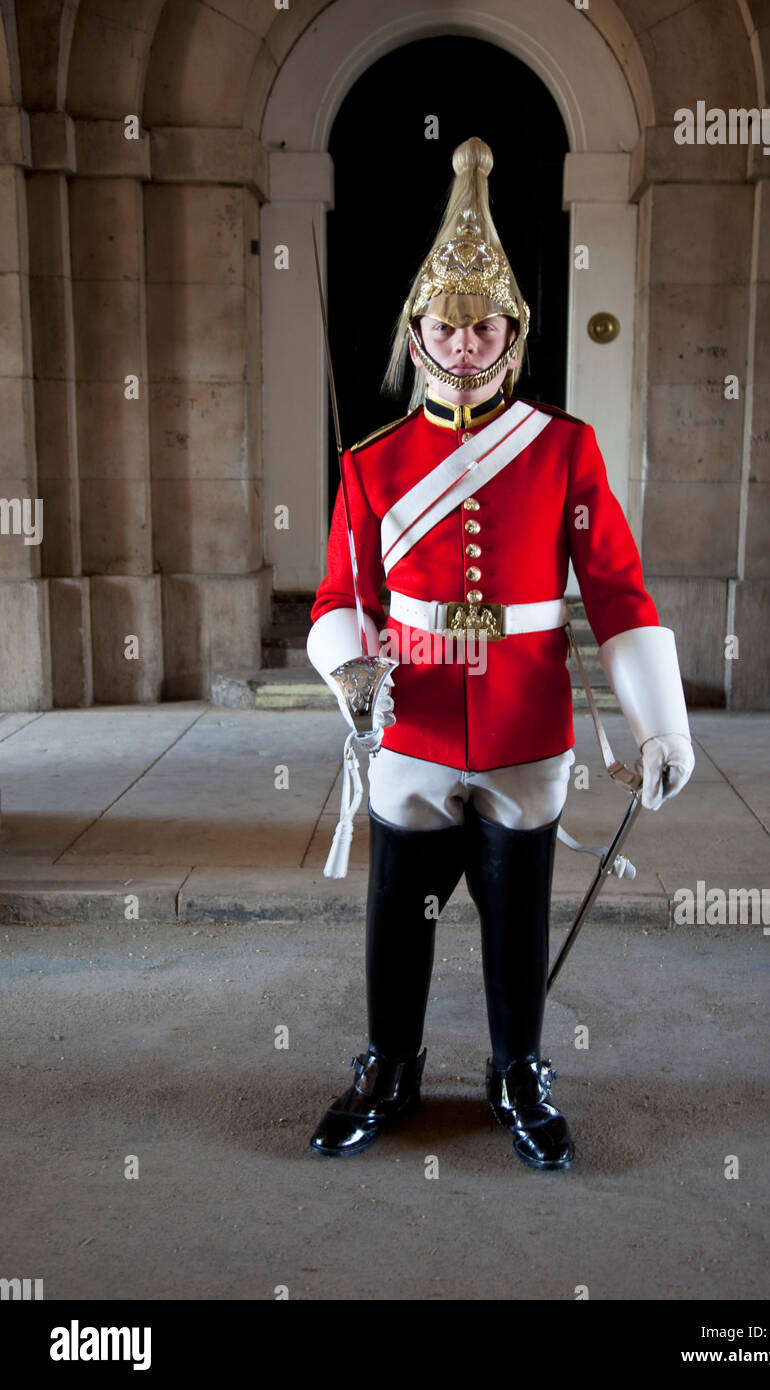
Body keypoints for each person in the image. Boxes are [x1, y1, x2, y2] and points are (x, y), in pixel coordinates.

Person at [305, 137, 694, 1170]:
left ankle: (517, 1069)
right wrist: (349, 666)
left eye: (483, 325)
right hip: (415, 725)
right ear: (415, 330)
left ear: (510, 330)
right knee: (400, 913)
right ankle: (389, 1065)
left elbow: (614, 589)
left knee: (516, 919)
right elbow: (339, 596)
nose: (465, 342)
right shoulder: (372, 461)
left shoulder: (562, 448)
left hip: (526, 724)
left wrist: (659, 722)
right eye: (446, 324)